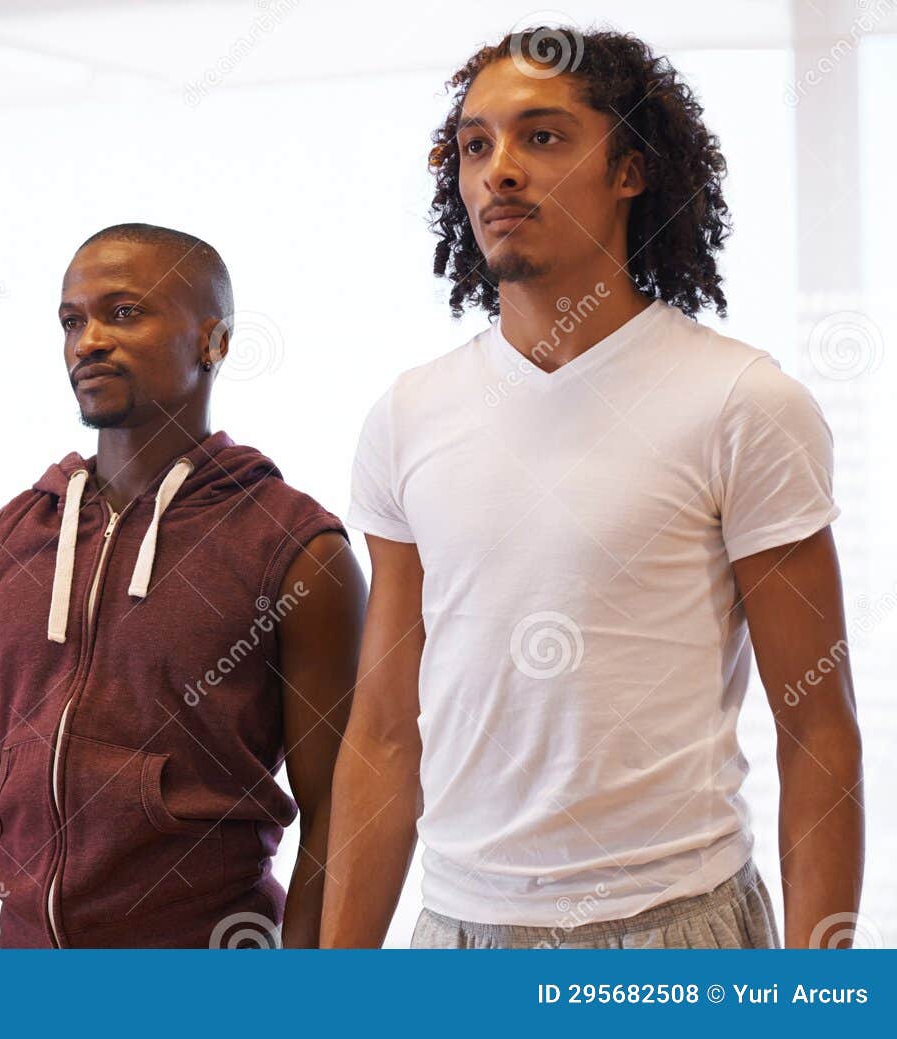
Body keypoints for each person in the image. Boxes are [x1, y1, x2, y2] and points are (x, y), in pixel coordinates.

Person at [323, 28, 864, 949]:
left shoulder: (741, 401)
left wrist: (819, 992)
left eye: (542, 137)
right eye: (475, 144)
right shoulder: (407, 416)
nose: (499, 171)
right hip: (456, 933)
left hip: (679, 930)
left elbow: (816, 729)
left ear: (630, 172)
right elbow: (380, 731)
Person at [0, 223, 367, 948]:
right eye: (72, 320)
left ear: (213, 342)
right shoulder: (10, 539)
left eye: (123, 313)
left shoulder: (296, 548)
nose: (88, 340)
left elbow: (339, 812)